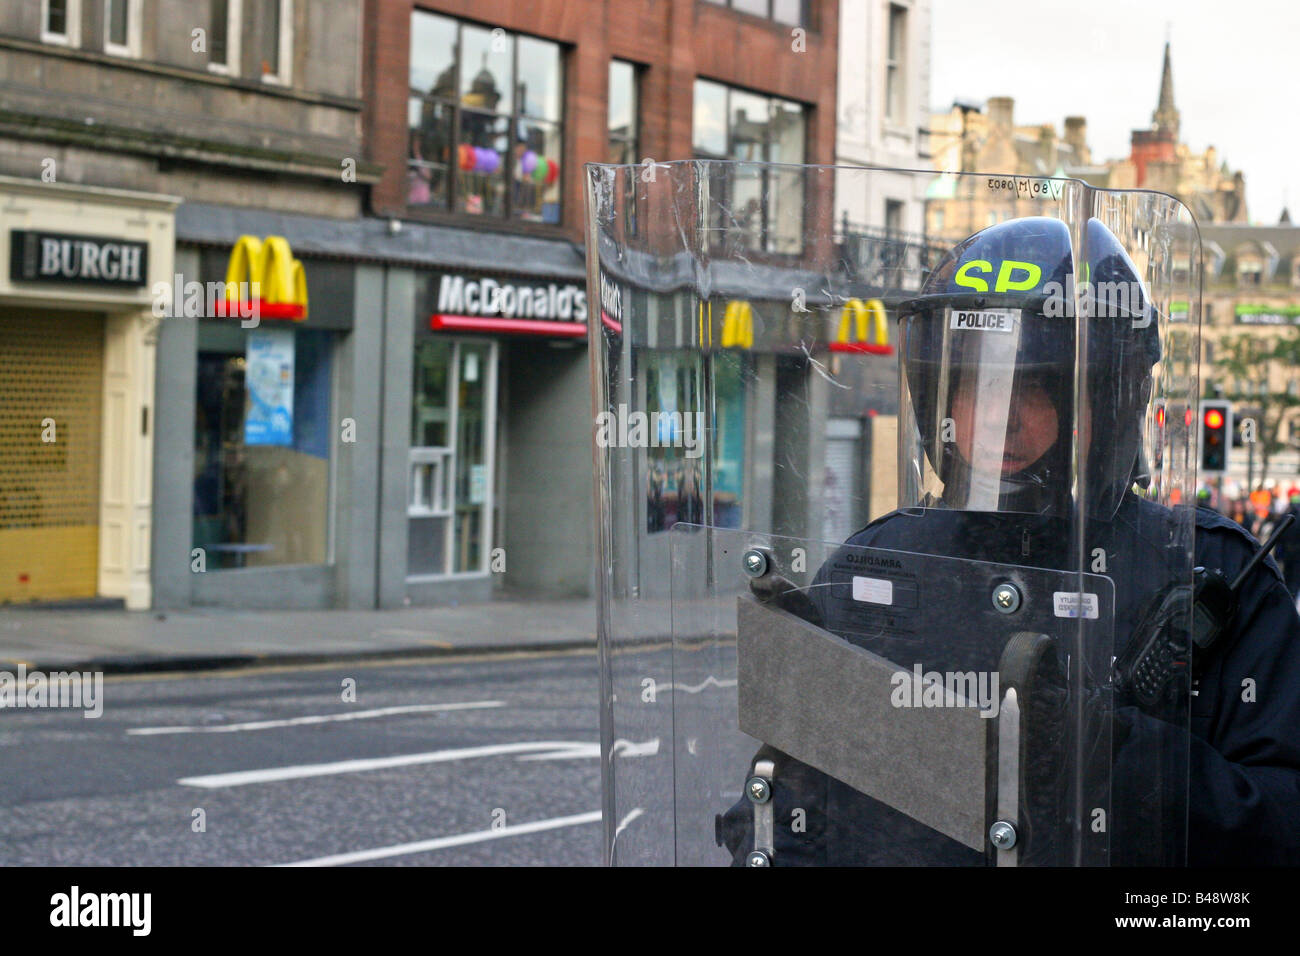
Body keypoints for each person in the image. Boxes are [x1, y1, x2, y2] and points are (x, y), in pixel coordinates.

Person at [719, 216, 1300, 866]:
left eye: (1035, 387)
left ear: (1106, 402)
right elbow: (783, 811)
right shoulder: (877, 569)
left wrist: (1111, 752)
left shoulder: (1203, 572)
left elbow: (1281, 824)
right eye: (975, 387)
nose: (1001, 416)